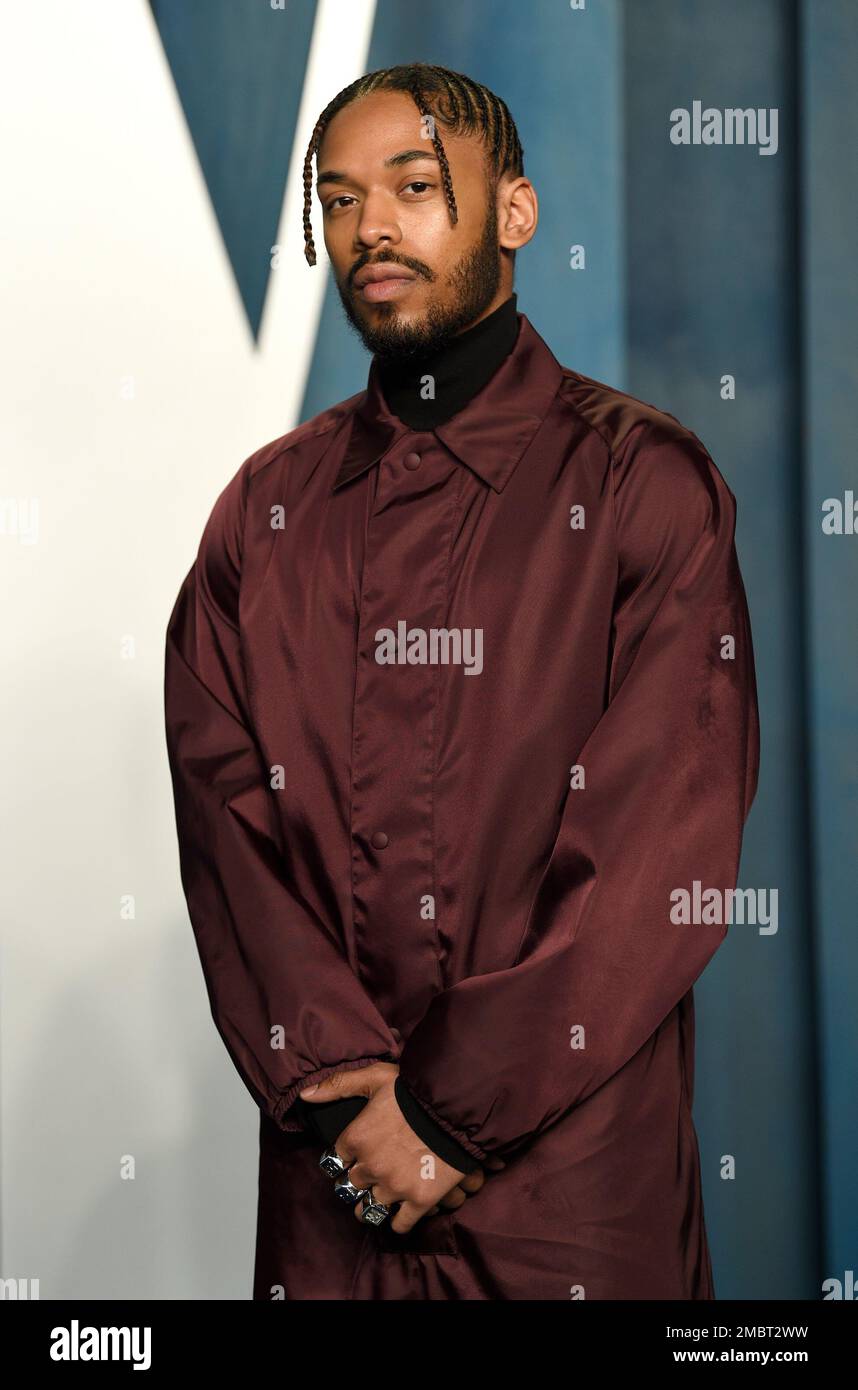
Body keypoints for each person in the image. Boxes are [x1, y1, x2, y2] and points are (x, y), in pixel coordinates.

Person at [164, 62, 760, 1301]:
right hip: (339, 1192)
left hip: (570, 1199)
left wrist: (445, 1116)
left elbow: (657, 856)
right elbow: (229, 834)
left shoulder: (645, 484)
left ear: (517, 214)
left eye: (417, 186)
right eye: (337, 198)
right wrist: (346, 1092)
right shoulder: (264, 515)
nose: (370, 225)